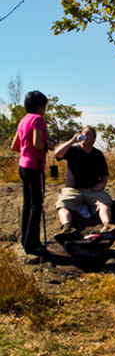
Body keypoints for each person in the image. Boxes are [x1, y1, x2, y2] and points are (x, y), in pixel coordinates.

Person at [53, 126, 115, 239]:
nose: (84, 135)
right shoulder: (73, 150)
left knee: (105, 201)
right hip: (72, 190)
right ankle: (67, 228)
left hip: (92, 190)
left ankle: (107, 224)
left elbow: (104, 173)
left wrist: (103, 184)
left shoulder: (98, 154)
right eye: (83, 132)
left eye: (88, 134)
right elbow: (57, 154)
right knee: (62, 204)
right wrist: (73, 140)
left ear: (93, 139)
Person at [10, 91, 50, 254]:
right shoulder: (38, 119)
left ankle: (24, 240)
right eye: (44, 106)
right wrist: (49, 145)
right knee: (36, 206)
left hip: (23, 166)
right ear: (39, 106)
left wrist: (26, 151)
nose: (45, 109)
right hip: (35, 167)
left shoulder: (23, 120)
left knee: (27, 204)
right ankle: (32, 243)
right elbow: (38, 143)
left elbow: (14, 146)